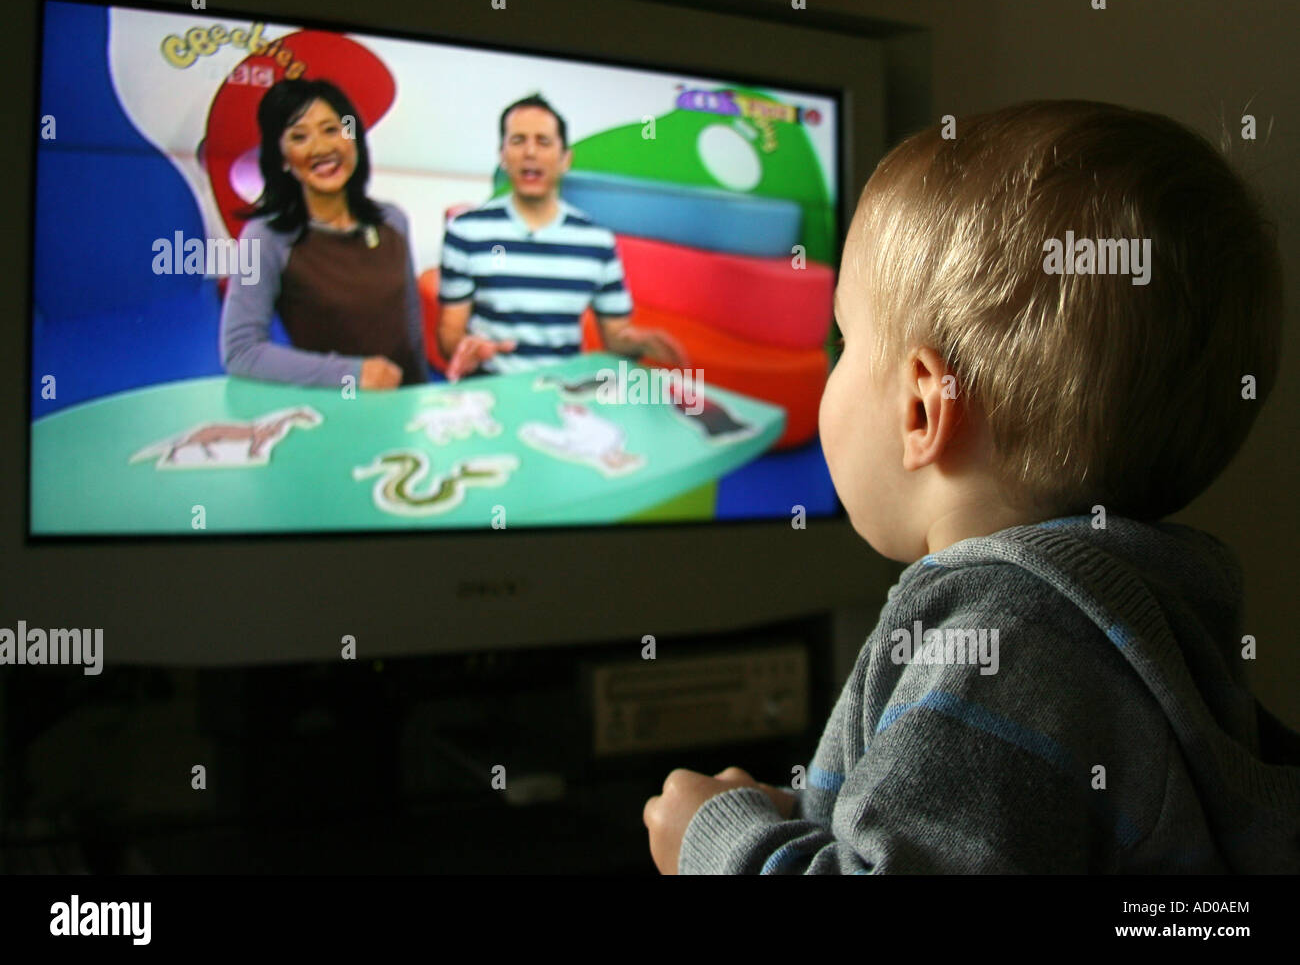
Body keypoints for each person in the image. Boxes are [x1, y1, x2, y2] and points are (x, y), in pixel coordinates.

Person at [644, 100, 1300, 874]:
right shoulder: (1138, 619)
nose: (832, 366)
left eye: (845, 339)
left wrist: (720, 843)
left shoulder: (998, 649)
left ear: (923, 406)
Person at [437, 94, 686, 380]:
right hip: (489, 388)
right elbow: (448, 336)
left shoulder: (596, 242)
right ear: (502, 155)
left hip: (562, 394)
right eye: (518, 141)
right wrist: (466, 349)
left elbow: (615, 337)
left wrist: (641, 342)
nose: (530, 152)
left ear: (565, 159)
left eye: (543, 141)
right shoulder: (467, 231)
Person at [221, 78, 429, 389]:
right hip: (332, 411)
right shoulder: (262, 238)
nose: (321, 148)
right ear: (282, 158)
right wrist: (352, 375)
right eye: (299, 136)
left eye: (332, 130)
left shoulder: (393, 220)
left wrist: (421, 399)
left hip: (405, 410)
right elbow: (241, 351)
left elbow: (410, 330)